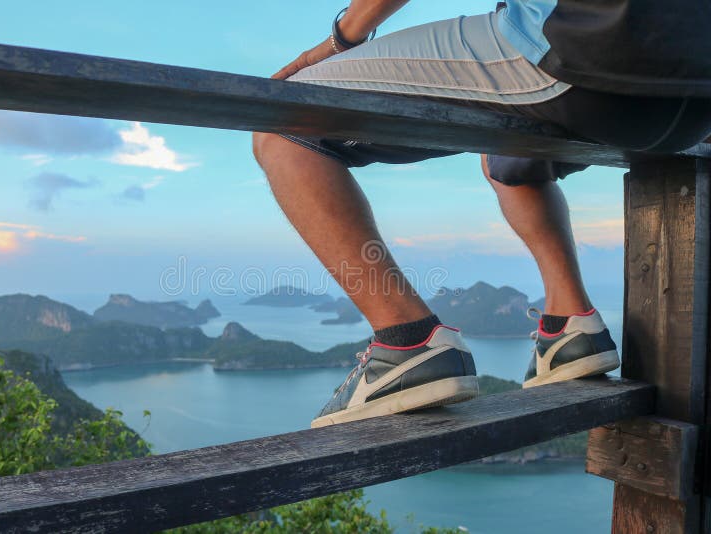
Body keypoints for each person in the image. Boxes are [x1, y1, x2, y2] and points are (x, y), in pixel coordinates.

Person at [252, 1, 711, 428]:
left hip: (587, 44)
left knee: (281, 121)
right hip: (693, 94)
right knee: (507, 160)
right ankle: (570, 326)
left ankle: (405, 342)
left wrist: (341, 39)